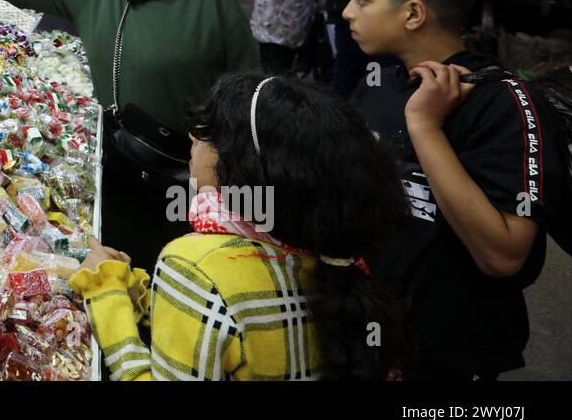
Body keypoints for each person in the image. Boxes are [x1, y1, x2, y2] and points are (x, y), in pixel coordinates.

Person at [0, 0, 258, 270]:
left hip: (191, 172)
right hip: (116, 159)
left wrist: (229, 163)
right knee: (123, 256)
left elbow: (249, 89)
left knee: (180, 262)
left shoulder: (212, 3)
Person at [74, 72, 409, 380]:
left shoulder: (198, 265)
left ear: (240, 165)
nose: (193, 136)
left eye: (210, 133)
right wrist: (142, 297)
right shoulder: (332, 254)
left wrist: (106, 294)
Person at [345, 0, 567, 380]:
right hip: (373, 330)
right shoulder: (379, 84)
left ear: (413, 14)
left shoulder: (504, 103)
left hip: (450, 351)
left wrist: (425, 129)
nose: (346, 12)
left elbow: (502, 255)